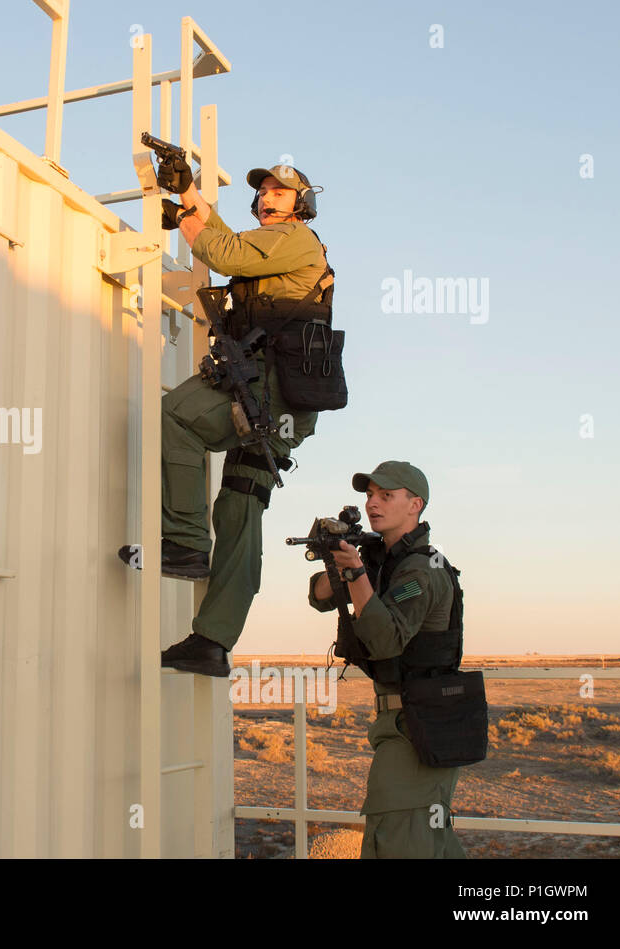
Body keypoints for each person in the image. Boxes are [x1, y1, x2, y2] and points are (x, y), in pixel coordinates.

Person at [122, 161, 334, 677]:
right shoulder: (273, 244)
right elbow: (226, 243)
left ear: (302, 203)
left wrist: (186, 207)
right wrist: (189, 200)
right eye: (264, 191)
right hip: (284, 403)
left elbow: (223, 253)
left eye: (281, 191)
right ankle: (212, 642)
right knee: (240, 511)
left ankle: (186, 543)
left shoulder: (296, 239)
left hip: (268, 391)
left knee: (177, 417)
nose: (268, 197)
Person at [309, 461, 467, 859]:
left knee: (396, 836)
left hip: (418, 725)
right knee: (426, 840)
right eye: (369, 495)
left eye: (386, 495)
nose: (372, 504)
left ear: (415, 505)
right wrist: (337, 559)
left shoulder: (421, 569)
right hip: (405, 720)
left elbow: (384, 641)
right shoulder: (385, 561)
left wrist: (355, 571)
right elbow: (319, 596)